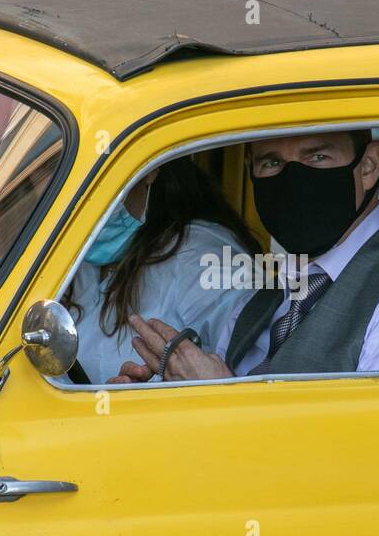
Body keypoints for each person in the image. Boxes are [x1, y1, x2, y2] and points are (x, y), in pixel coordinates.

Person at [111, 129, 379, 382]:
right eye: (271, 162)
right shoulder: (261, 301)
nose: (293, 180)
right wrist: (163, 400)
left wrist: (217, 399)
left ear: (369, 167)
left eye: (318, 157)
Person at [64, 155, 258, 383]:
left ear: (149, 170)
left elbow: (250, 382)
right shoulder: (71, 255)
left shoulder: (204, 259)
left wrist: (154, 399)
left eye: (96, 177)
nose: (81, 196)